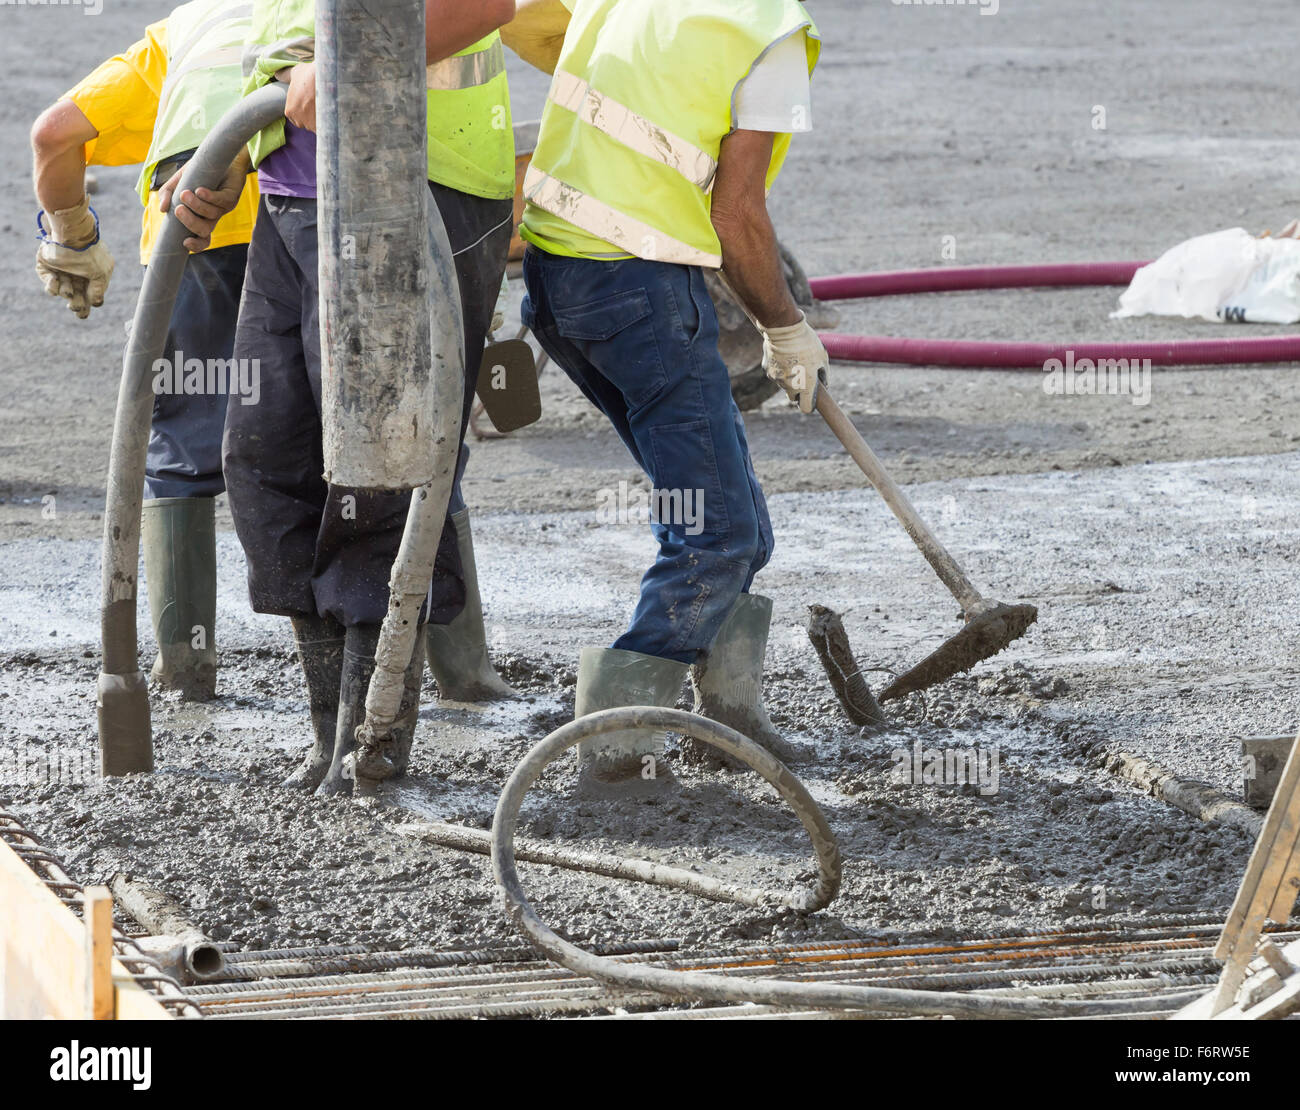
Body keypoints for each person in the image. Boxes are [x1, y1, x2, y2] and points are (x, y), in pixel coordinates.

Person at [503, 0, 825, 797]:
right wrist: (784, 326)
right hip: (636, 287)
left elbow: (534, 33)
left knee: (738, 521)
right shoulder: (771, 33)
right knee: (715, 533)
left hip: (557, 280)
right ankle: (616, 749)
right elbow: (738, 212)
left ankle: (726, 721)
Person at [224, 0, 518, 795]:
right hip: (296, 193)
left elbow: (490, 6)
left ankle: (376, 743)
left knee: (379, 463)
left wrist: (350, 77)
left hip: (415, 185)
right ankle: (330, 739)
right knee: (265, 456)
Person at [30, 0, 258, 701]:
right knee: (357, 433)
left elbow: (55, 133)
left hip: (192, 227)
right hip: (303, 207)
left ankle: (186, 671)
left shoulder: (184, 32)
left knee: (185, 449)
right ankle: (450, 671)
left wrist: (71, 236)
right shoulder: (326, 14)